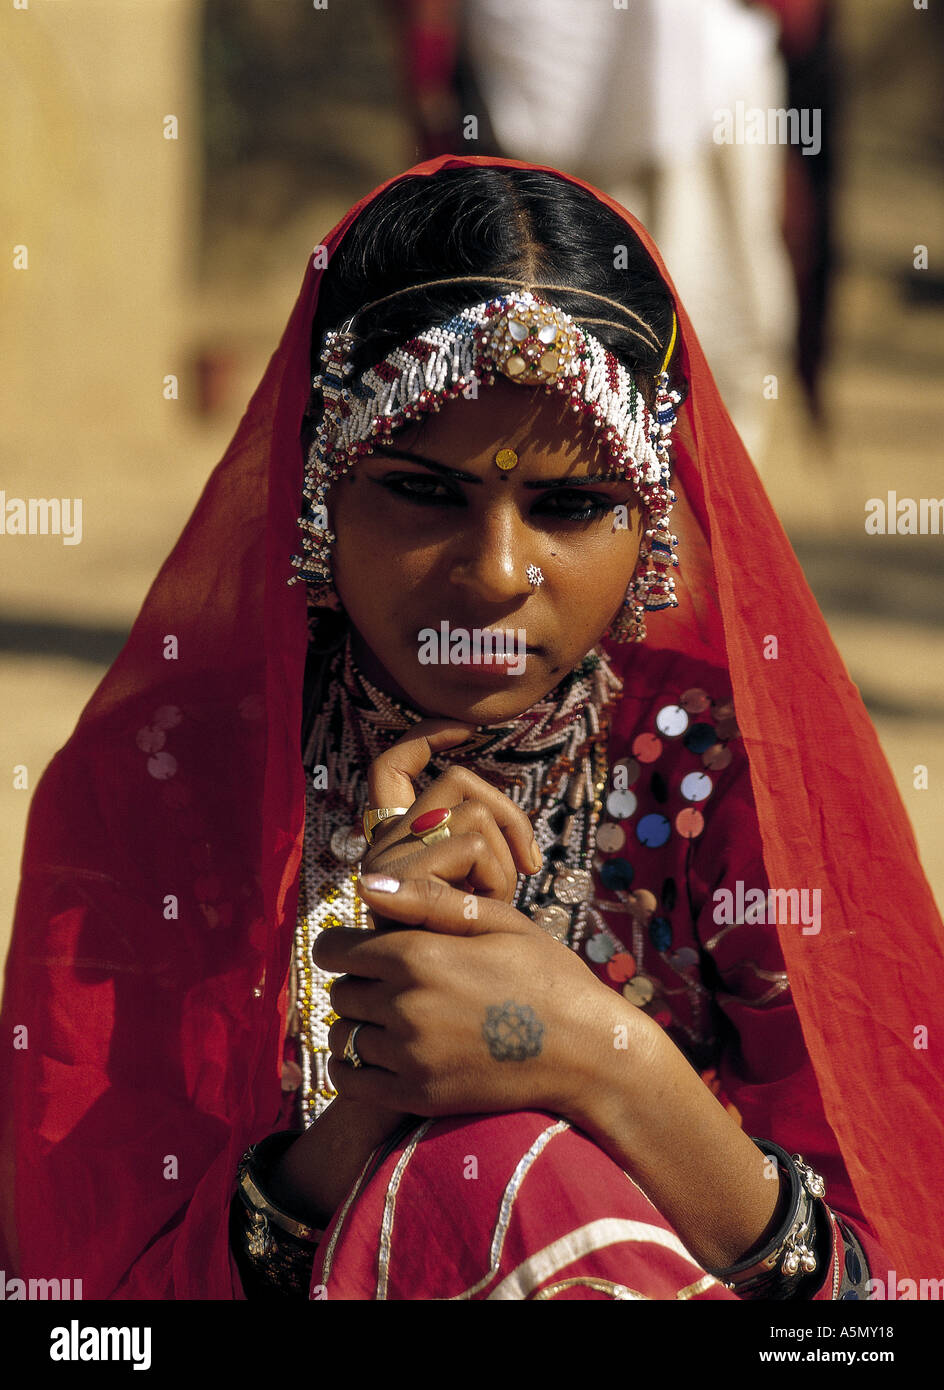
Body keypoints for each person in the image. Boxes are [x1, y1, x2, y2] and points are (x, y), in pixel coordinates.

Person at [2, 155, 942, 1302]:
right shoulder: (156, 789)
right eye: (422, 490)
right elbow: (82, 1312)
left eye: (570, 506)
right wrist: (370, 1115)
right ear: (315, 488)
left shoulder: (734, 785)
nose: (496, 574)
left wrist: (600, 1057)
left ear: (647, 524)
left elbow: (886, 1297)